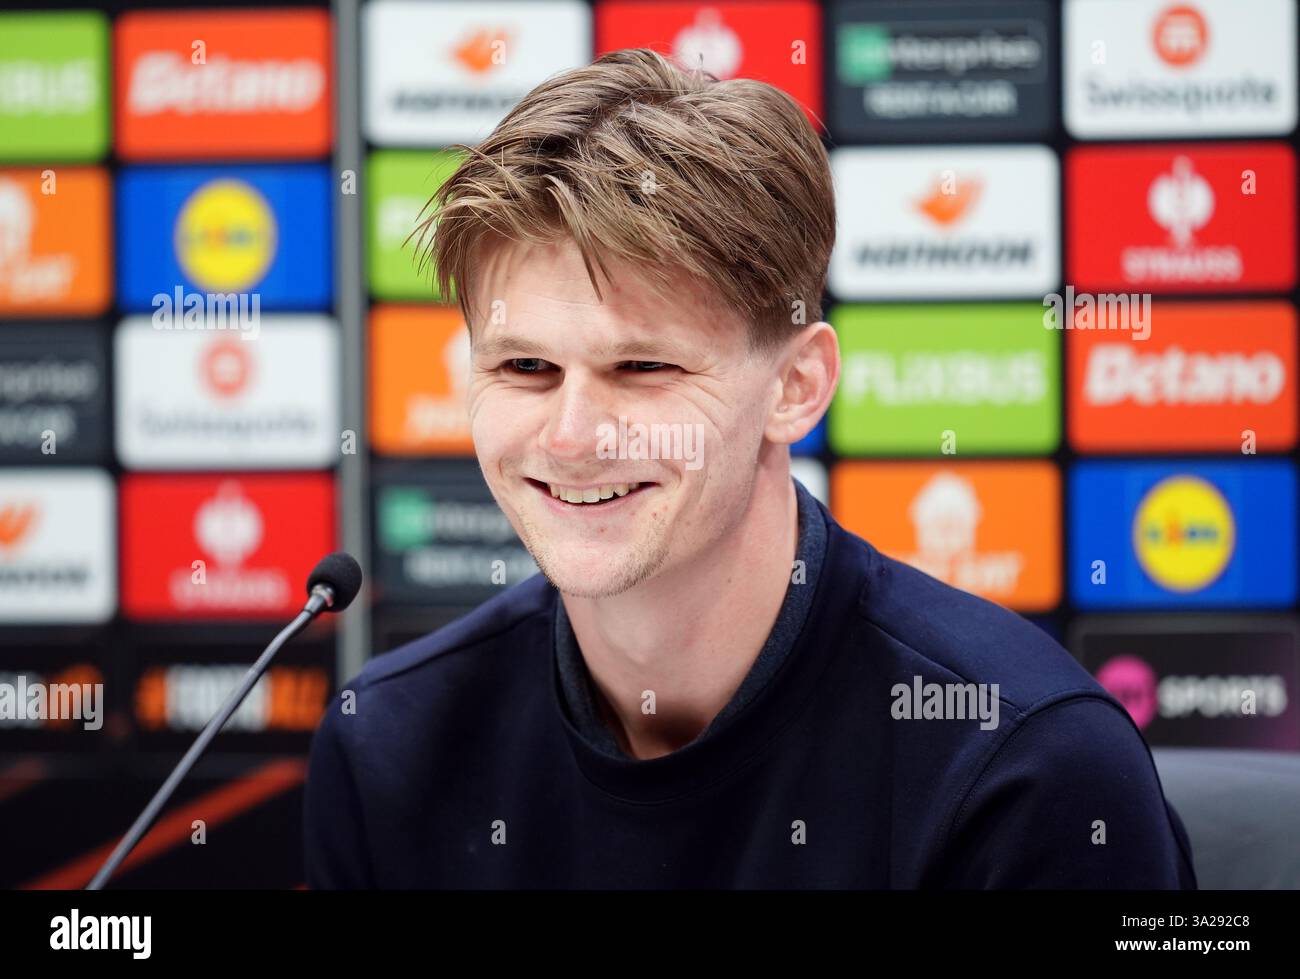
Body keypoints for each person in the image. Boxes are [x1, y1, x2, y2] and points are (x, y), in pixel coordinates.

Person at [304, 48, 1196, 889]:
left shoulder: (1028, 765)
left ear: (796, 386)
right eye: (524, 368)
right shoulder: (387, 743)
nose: (572, 435)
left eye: (644, 368)